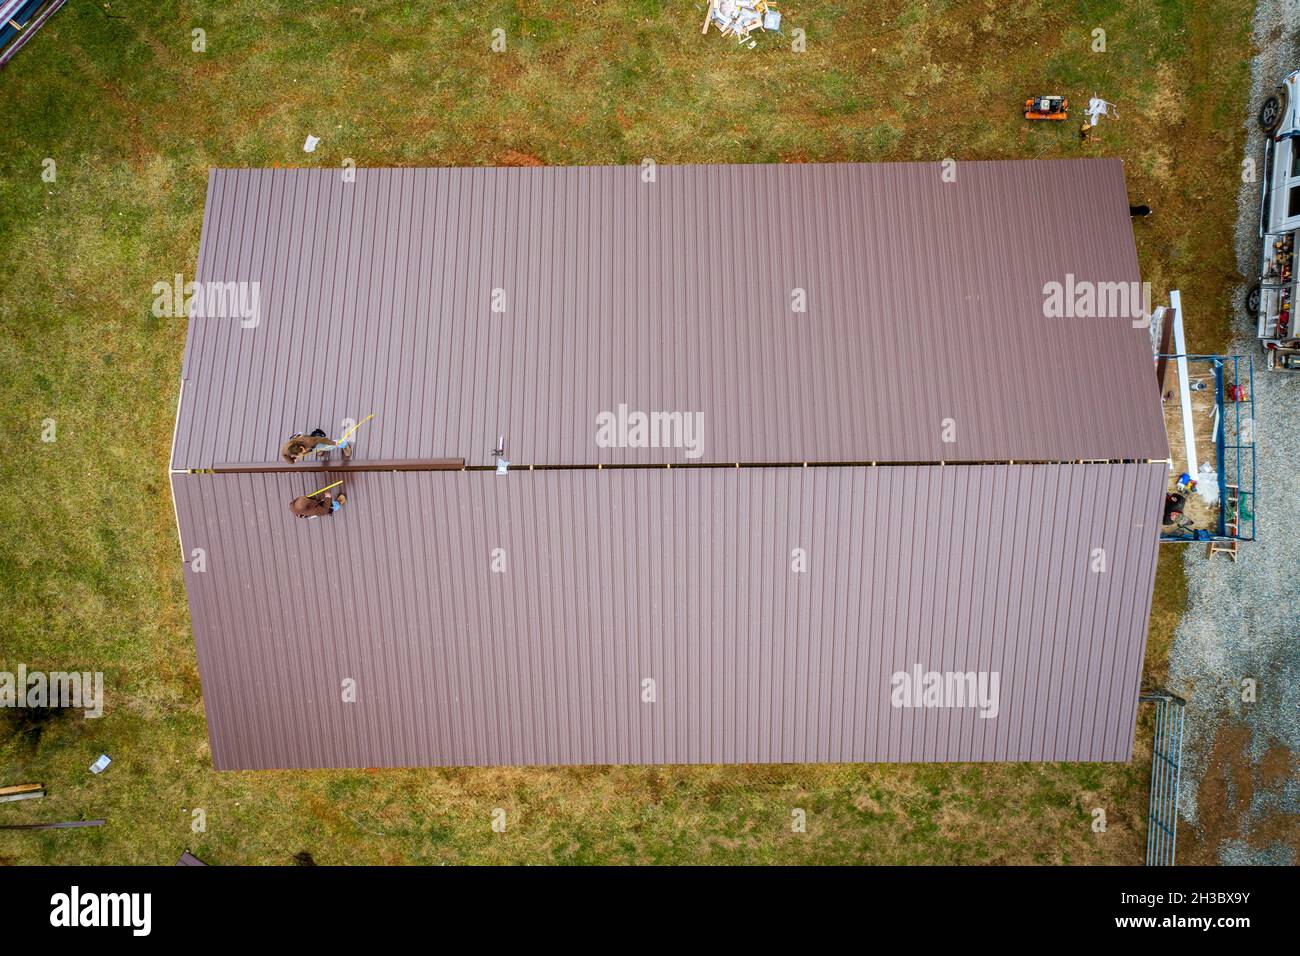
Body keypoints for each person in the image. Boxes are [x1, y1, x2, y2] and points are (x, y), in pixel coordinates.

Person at [281, 428, 352, 463]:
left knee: (327, 447)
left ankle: (344, 444)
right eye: (301, 452)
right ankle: (319, 449)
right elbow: (284, 455)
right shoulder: (286, 450)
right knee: (315, 448)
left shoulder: (308, 441)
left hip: (311, 442)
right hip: (306, 443)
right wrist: (292, 461)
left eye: (303, 449)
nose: (304, 451)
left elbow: (321, 439)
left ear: (299, 446)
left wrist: (334, 443)